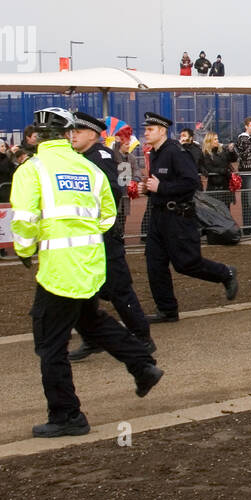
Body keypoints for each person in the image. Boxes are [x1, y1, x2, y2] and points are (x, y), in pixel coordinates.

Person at [11, 108, 163, 438]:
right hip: (90, 262)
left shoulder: (31, 169)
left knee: (50, 345)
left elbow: (23, 220)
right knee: (90, 320)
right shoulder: (88, 168)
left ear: (36, 137)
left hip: (56, 268)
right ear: (67, 134)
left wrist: (25, 251)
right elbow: (108, 215)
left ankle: (67, 415)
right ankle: (142, 365)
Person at [67, 112, 155, 360]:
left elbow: (111, 192)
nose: (73, 135)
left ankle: (142, 336)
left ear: (93, 135)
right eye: (72, 131)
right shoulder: (81, 157)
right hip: (87, 236)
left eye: (79, 131)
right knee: (85, 289)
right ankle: (92, 338)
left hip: (104, 235)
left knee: (119, 288)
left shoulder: (101, 157)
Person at [142, 111, 238, 322]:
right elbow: (162, 184)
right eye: (146, 129)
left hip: (178, 216)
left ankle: (225, 273)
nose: (146, 133)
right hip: (158, 216)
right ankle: (167, 309)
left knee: (186, 263)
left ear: (162, 131)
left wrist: (161, 187)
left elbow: (191, 183)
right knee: (154, 263)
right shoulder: (155, 153)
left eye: (150, 129)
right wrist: (149, 189)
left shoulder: (176, 152)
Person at [198, 130, 236, 205]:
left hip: (226, 186)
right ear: (209, 141)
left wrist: (231, 151)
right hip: (214, 187)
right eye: (215, 139)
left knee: (227, 210)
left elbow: (233, 159)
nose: (217, 141)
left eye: (217, 139)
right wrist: (222, 171)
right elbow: (209, 168)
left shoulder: (222, 150)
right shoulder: (206, 153)